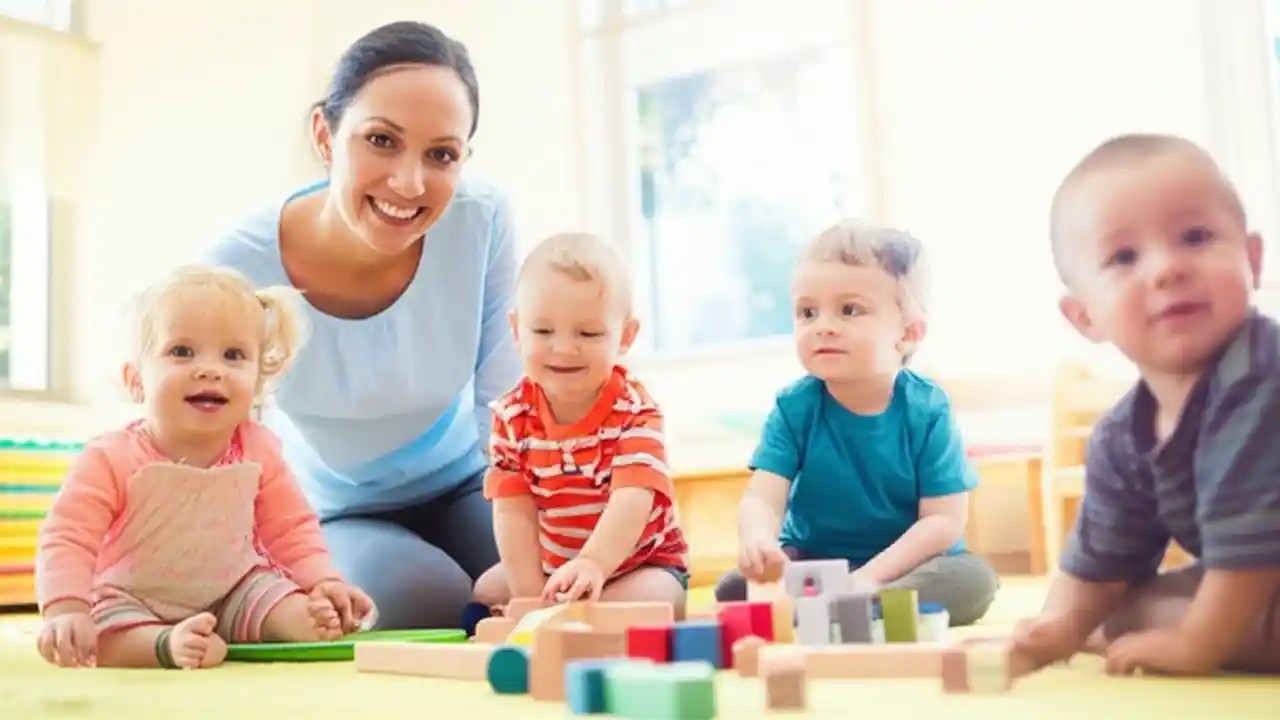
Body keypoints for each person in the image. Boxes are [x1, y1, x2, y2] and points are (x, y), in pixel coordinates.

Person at [199, 21, 521, 629]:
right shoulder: (234, 265)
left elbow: (505, 398)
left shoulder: (484, 220)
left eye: (442, 154)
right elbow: (210, 433)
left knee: (557, 577)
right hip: (336, 514)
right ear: (325, 135)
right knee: (432, 600)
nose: (409, 182)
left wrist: (539, 545)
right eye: (380, 140)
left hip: (473, 484)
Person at [1013, 133, 1280, 677]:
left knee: (1169, 615)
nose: (1166, 269)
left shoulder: (1262, 375)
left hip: (1260, 564)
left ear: (1251, 259)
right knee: (1129, 605)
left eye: (1196, 237)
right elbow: (1103, 559)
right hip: (1255, 578)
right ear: (1085, 315)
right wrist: (1059, 627)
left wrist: (1196, 645)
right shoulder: (1122, 436)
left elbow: (1252, 545)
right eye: (1125, 256)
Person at [35, 266, 372, 670]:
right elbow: (68, 537)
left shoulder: (258, 449)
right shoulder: (110, 457)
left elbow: (291, 528)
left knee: (291, 608)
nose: (211, 369)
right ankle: (161, 644)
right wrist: (65, 609)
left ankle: (298, 620)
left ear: (259, 380)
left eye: (233, 355)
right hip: (130, 596)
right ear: (136, 379)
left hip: (232, 590)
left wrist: (323, 583)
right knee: (98, 628)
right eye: (181, 351)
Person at [715, 219, 999, 626]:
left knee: (974, 582)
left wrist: (870, 577)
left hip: (905, 563)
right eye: (807, 312)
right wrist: (758, 539)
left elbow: (943, 520)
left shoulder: (928, 409)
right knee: (731, 589)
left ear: (908, 333)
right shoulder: (794, 407)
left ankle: (855, 606)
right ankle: (846, 609)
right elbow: (763, 496)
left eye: (849, 310)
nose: (823, 326)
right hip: (815, 561)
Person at [470, 233, 690, 618]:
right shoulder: (511, 415)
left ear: (625, 336)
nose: (564, 349)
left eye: (588, 333)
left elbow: (632, 501)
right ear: (517, 330)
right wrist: (530, 597)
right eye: (542, 331)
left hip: (636, 565)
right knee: (488, 588)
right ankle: (557, 613)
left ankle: (575, 615)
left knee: (657, 597)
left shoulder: (635, 411)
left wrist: (593, 564)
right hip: (554, 566)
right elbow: (513, 511)